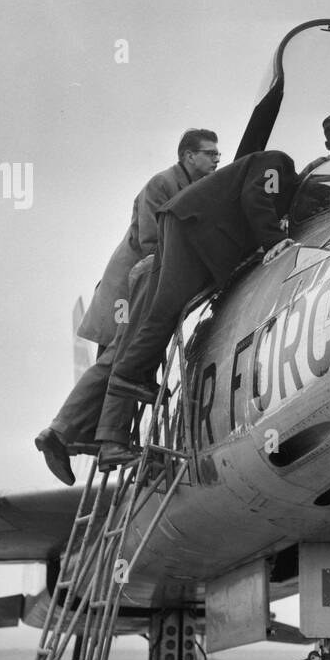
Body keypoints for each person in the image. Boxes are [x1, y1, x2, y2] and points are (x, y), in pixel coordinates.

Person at [33, 130, 221, 484]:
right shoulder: (163, 184)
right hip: (129, 287)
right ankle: (59, 431)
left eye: (217, 154)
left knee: (125, 361)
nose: (216, 160)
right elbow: (153, 242)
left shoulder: (189, 187)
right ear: (187, 156)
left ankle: (102, 442)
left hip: (145, 282)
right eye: (209, 154)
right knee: (119, 357)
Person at [99, 150, 300, 464]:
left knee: (165, 308)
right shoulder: (281, 165)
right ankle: (129, 374)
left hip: (185, 223)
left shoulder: (276, 181)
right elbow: (254, 195)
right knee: (168, 307)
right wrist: (274, 239)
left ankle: (133, 374)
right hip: (192, 226)